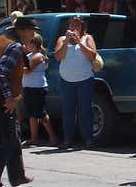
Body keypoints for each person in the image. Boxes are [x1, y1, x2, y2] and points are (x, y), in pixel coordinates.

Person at [0, 17, 36, 187]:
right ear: (21, 31)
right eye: (31, 30)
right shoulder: (14, 46)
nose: (33, 35)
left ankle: (17, 175)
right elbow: (0, 73)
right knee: (8, 139)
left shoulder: (2, 39)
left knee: (14, 134)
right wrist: (9, 98)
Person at [54, 16, 98, 149]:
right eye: (72, 25)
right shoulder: (62, 39)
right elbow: (58, 56)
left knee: (85, 110)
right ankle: (68, 139)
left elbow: (92, 56)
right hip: (66, 80)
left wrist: (79, 42)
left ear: (82, 27)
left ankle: (88, 139)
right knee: (68, 110)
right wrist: (67, 40)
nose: (74, 27)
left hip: (85, 79)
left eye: (77, 25)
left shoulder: (88, 38)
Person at [23, 33, 57, 146]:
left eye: (28, 42)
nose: (26, 44)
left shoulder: (38, 56)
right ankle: (34, 138)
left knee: (41, 114)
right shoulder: (30, 55)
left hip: (37, 88)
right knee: (32, 114)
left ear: (34, 44)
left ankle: (52, 137)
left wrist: (16, 67)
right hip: (28, 87)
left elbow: (28, 70)